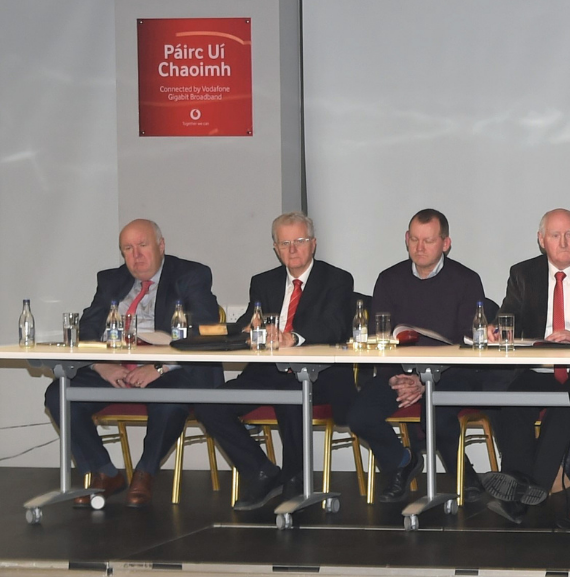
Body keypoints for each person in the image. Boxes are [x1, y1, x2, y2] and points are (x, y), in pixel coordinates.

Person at [45, 219, 222, 508]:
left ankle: (145, 473)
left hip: (169, 370)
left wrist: (159, 367)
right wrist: (102, 366)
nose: (136, 256)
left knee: (169, 395)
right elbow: (88, 331)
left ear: (161, 246)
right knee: (59, 393)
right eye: (127, 249)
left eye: (142, 246)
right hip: (115, 369)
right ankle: (104, 471)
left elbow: (203, 330)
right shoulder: (110, 280)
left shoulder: (191, 275)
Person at [193, 212, 357, 511]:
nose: (292, 249)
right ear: (275, 248)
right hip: (266, 373)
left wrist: (293, 337)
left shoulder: (337, 279)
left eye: (299, 241)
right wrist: (246, 330)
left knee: (291, 392)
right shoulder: (263, 281)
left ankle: (296, 478)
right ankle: (262, 472)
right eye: (284, 243)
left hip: (318, 376)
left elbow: (335, 326)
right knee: (208, 403)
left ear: (314, 244)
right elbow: (248, 321)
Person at [480, 209, 570, 525]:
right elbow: (510, 318)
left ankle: (528, 489)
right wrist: (497, 330)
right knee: (514, 402)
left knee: (564, 405)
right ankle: (523, 487)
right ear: (541, 240)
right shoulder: (523, 274)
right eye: (555, 235)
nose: (563, 242)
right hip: (539, 369)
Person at [345, 209, 495, 505]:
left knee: (436, 414)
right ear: (406, 239)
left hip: (451, 374)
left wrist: (426, 381)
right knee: (358, 416)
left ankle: (464, 476)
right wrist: (397, 378)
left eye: (428, 240)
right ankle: (401, 463)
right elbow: (380, 336)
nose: (420, 247)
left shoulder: (466, 280)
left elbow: (468, 344)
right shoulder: (389, 279)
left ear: (445, 243)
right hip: (399, 373)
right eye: (414, 239)